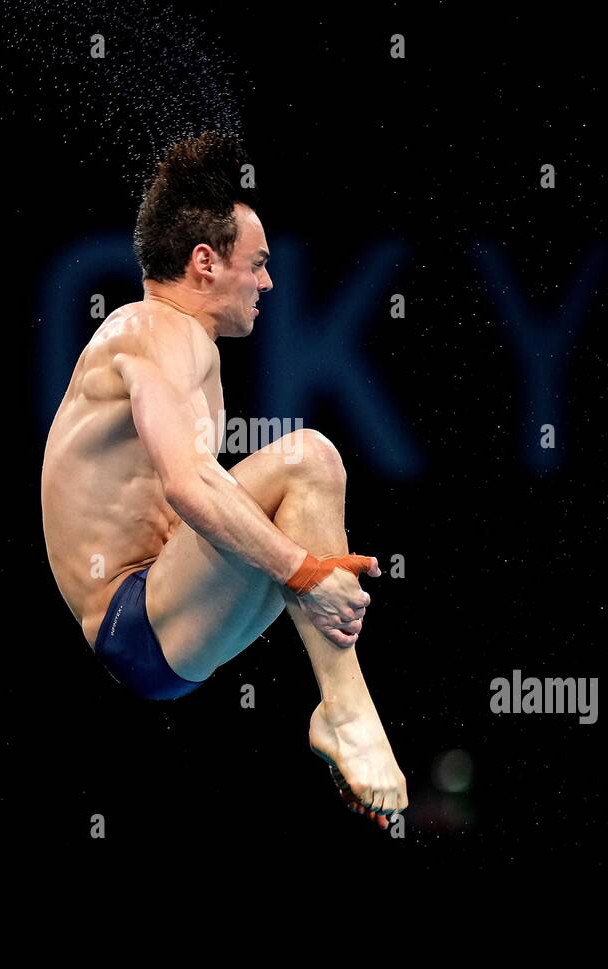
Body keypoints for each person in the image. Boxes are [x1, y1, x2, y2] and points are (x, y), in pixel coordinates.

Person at [41, 132, 407, 828]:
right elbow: (187, 483)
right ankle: (348, 709)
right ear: (205, 262)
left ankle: (341, 709)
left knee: (305, 479)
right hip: (136, 619)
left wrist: (306, 566)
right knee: (308, 459)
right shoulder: (150, 329)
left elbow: (193, 500)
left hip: (159, 622)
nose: (268, 282)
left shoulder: (185, 344)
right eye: (258, 263)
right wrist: (305, 571)